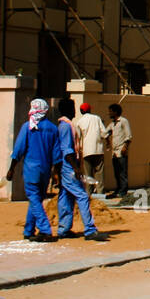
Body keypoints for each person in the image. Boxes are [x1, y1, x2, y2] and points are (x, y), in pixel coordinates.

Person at [4, 98, 58, 242]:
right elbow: (56, 153)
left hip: (31, 169)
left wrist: (11, 169)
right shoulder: (53, 128)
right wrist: (56, 172)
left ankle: (45, 229)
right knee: (36, 199)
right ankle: (28, 230)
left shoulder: (27, 127)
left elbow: (18, 150)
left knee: (34, 198)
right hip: (45, 169)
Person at [54, 99, 105, 241]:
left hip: (68, 165)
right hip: (69, 166)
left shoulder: (67, 125)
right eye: (72, 108)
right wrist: (75, 167)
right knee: (82, 196)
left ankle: (63, 229)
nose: (74, 111)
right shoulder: (65, 127)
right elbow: (67, 149)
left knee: (66, 196)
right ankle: (89, 229)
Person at [74, 102, 109, 195]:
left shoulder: (80, 122)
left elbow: (78, 138)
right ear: (90, 110)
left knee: (88, 175)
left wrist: (78, 151)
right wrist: (108, 142)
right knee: (99, 174)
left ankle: (88, 194)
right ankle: (100, 193)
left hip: (87, 151)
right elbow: (104, 133)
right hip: (98, 150)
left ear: (81, 111)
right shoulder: (97, 118)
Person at [107, 103, 132, 198]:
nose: (109, 113)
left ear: (115, 112)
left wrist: (125, 147)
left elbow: (128, 135)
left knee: (122, 172)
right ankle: (118, 189)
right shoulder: (112, 124)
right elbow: (105, 133)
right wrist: (107, 142)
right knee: (116, 172)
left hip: (121, 151)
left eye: (111, 111)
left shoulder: (123, 121)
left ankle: (123, 190)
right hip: (114, 152)